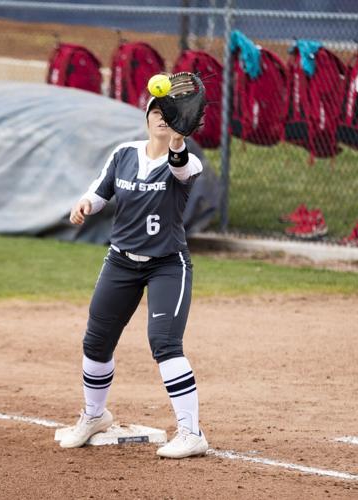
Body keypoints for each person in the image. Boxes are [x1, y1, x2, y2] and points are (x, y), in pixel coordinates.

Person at [60, 94, 208, 459]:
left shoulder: (188, 162)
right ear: (146, 118)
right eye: (156, 112)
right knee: (96, 340)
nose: (161, 118)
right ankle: (95, 415)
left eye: (168, 114)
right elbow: (100, 191)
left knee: (164, 343)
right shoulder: (124, 153)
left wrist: (178, 139)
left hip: (167, 264)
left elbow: (180, 166)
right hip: (121, 261)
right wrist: (85, 204)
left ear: (179, 123)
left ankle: (191, 433)